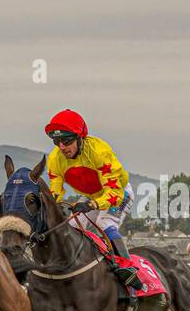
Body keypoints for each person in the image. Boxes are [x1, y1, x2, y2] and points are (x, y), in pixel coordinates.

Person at [43, 109, 142, 288]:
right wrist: (54, 206)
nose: (62, 147)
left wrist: (92, 204)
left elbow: (114, 193)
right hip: (91, 196)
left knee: (105, 223)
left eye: (66, 141)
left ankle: (128, 269)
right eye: (57, 142)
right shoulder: (54, 159)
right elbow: (55, 193)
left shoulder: (99, 152)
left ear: (80, 138)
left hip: (118, 192)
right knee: (70, 227)